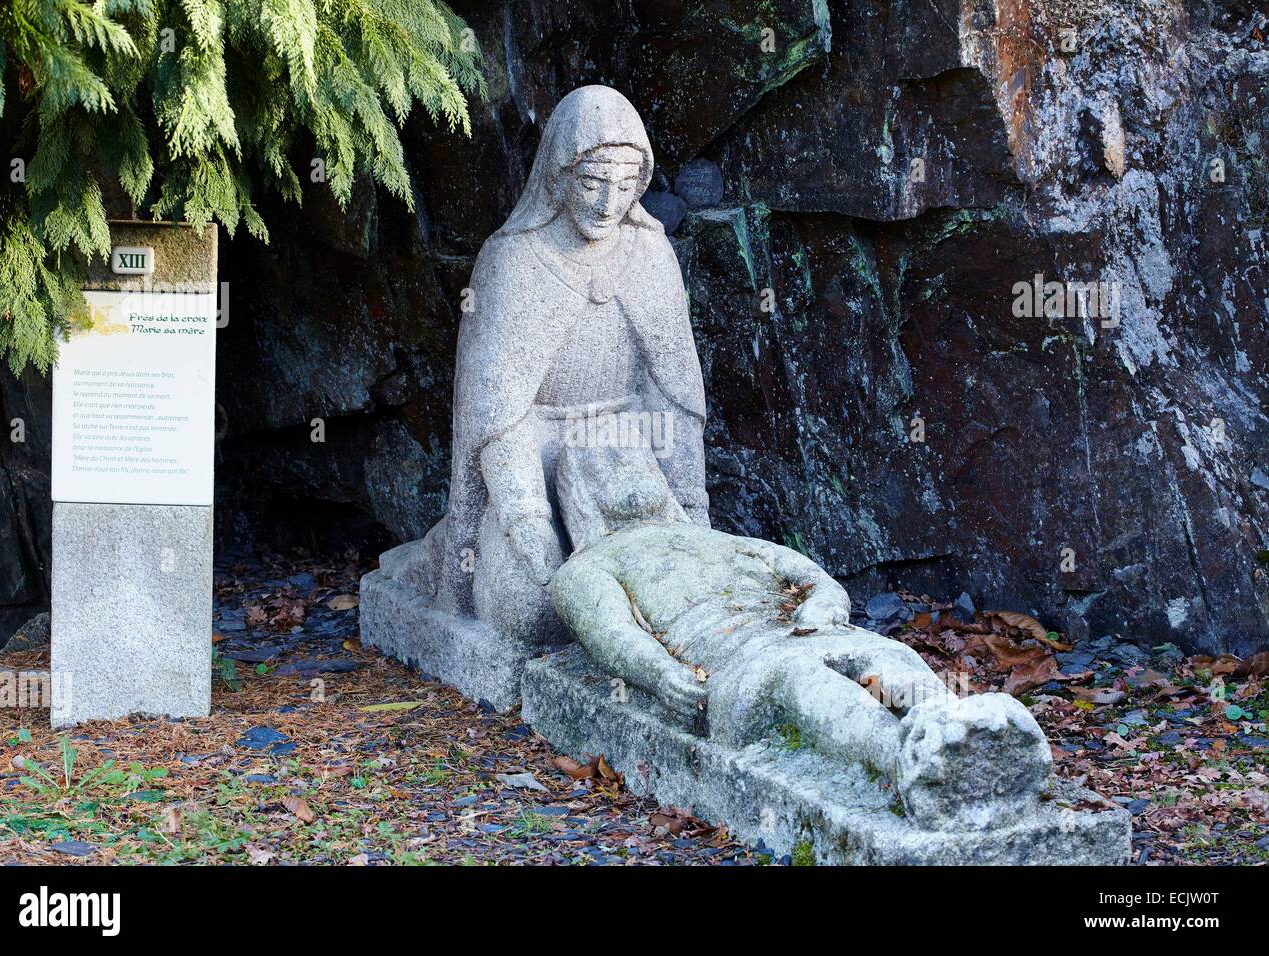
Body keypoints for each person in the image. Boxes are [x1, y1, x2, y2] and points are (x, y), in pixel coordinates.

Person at [548, 442, 1052, 830]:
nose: (631, 465)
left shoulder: (711, 537)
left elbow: (799, 571)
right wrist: (661, 675)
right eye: (609, 460)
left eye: (636, 454)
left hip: (804, 627)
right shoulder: (588, 567)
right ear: (582, 488)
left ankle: (953, 723)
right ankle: (900, 757)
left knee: (884, 653)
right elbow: (611, 632)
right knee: (804, 683)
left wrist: (825, 601)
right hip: (739, 661)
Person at [414, 86, 709, 645]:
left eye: (625, 187)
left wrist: (692, 509)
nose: (606, 205)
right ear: (558, 175)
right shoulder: (514, 261)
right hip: (533, 455)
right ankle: (444, 556)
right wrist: (529, 521)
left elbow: (671, 397)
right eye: (593, 183)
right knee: (534, 612)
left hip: (627, 452)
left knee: (673, 595)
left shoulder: (649, 254)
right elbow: (497, 415)